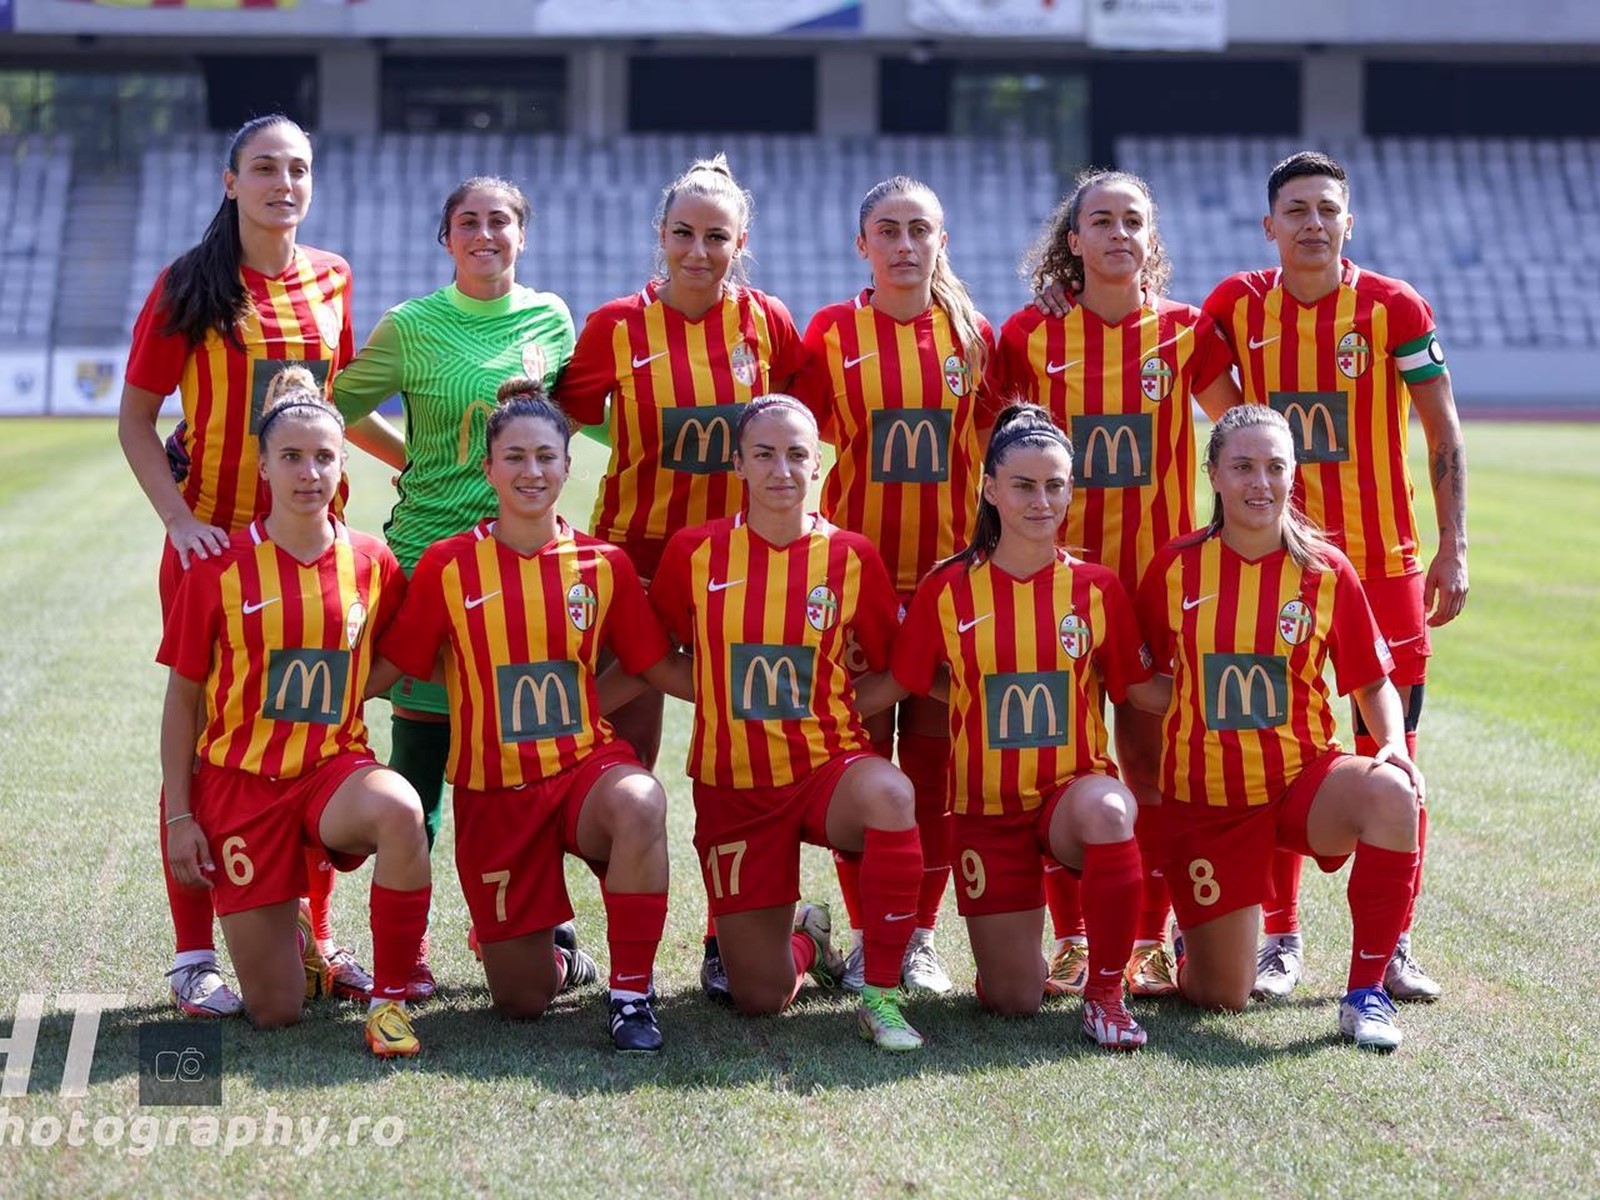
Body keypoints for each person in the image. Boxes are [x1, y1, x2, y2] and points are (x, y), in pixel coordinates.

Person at [1201, 151, 1466, 1002]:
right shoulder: (1237, 306)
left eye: (1327, 209)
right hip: (1273, 564)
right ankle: (1281, 938)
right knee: (1265, 746)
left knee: (1391, 752)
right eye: (1296, 209)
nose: (1312, 222)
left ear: (1348, 223)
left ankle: (1391, 947)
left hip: (1383, 567)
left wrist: (1453, 545)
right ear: (1268, 225)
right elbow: (1179, 355)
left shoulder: (1392, 307)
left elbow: (1442, 430)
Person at [118, 114, 368, 1018]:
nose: (284, 183)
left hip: (311, 547)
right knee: (199, 737)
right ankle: (193, 957)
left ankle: (313, 935)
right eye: (265, 167)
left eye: (299, 168)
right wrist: (181, 520)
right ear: (231, 182)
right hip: (217, 548)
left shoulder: (333, 277)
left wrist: (416, 456)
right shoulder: (191, 284)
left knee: (314, 728)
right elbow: (137, 418)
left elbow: (330, 410)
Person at [554, 154, 806, 999]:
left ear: (743, 241)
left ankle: (725, 933)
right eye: (684, 235)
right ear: (659, 238)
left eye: (717, 236)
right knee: (623, 756)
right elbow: (560, 419)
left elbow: (805, 418)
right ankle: (581, 929)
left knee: (738, 753)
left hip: (740, 570)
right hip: (632, 563)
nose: (699, 251)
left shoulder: (765, 324)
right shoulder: (615, 327)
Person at [997, 169, 1239, 1001]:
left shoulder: (1184, 331)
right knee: (1058, 759)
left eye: (1133, 221)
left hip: (1158, 588)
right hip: (1053, 587)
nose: (1117, 234)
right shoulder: (1029, 338)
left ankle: (1151, 937)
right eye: (1100, 220)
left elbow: (1235, 437)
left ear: (1150, 239)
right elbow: (996, 457)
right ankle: (1071, 938)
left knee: (1150, 761)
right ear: (1074, 241)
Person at [334, 176, 578, 997]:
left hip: (524, 574)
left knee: (517, 756)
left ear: (522, 234)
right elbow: (334, 406)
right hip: (429, 564)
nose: (485, 234)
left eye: (500, 220)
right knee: (422, 762)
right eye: (468, 222)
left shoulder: (551, 320)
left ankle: (507, 920)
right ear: (446, 239)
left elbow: (575, 420)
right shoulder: (412, 325)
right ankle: (404, 952)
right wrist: (412, 458)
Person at [377, 380, 674, 1053]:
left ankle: (630, 996)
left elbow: (649, 663)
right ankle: (561, 958)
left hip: (580, 771)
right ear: (487, 469)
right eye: (514, 457)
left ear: (569, 466)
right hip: (493, 794)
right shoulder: (448, 566)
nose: (531, 471)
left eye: (546, 456)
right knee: (520, 1001)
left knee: (639, 801)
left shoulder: (605, 564)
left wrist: (589, 709)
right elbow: (398, 664)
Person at [158, 368, 431, 1058]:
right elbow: (183, 700)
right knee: (276, 1011)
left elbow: (399, 651)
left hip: (330, 774)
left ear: (344, 465)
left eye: (323, 457)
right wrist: (182, 817)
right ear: (264, 464)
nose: (309, 472)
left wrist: (354, 689)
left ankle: (392, 1001)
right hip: (241, 788)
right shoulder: (217, 569)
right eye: (292, 456)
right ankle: (294, 944)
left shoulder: (372, 560)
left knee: (400, 808)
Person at [1133, 404, 1423, 1051]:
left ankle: (1366, 994)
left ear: (1294, 475)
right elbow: (1138, 683)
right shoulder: (1175, 569)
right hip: (1207, 803)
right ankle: (1194, 940)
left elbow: (1372, 681)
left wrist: (1397, 748)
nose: (1259, 483)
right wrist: (1190, 702)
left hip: (1301, 780)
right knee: (1221, 997)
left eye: (1274, 467)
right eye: (1242, 466)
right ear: (1213, 474)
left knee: (1392, 794)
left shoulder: (1325, 571)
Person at [647, 396, 927, 1051]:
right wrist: (714, 693)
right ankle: (808, 935)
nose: (782, 469)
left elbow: (891, 672)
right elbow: (656, 655)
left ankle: (881, 995)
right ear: (738, 463)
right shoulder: (694, 554)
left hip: (827, 769)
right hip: (735, 787)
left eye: (797, 454)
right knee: (760, 999)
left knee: (890, 794)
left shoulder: (852, 558)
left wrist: (839, 710)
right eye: (765, 454)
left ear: (819, 464)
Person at [884, 404, 1155, 1049]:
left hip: (1071, 793)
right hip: (985, 810)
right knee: (1013, 1001)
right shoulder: (946, 589)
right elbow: (905, 682)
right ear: (990, 489)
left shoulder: (1097, 588)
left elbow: (1140, 690)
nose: (1041, 501)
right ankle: (1027, 964)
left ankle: (1107, 994)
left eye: (1055, 485)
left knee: (1112, 811)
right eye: (1025, 486)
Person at [794, 174, 999, 997]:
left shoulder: (972, 337)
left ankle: (915, 937)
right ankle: (863, 926)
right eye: (889, 230)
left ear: (940, 242)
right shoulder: (832, 332)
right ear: (863, 245)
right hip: (857, 585)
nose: (906, 244)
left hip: (951, 586)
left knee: (934, 770)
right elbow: (795, 450)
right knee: (860, 760)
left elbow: (997, 457)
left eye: (921, 230)